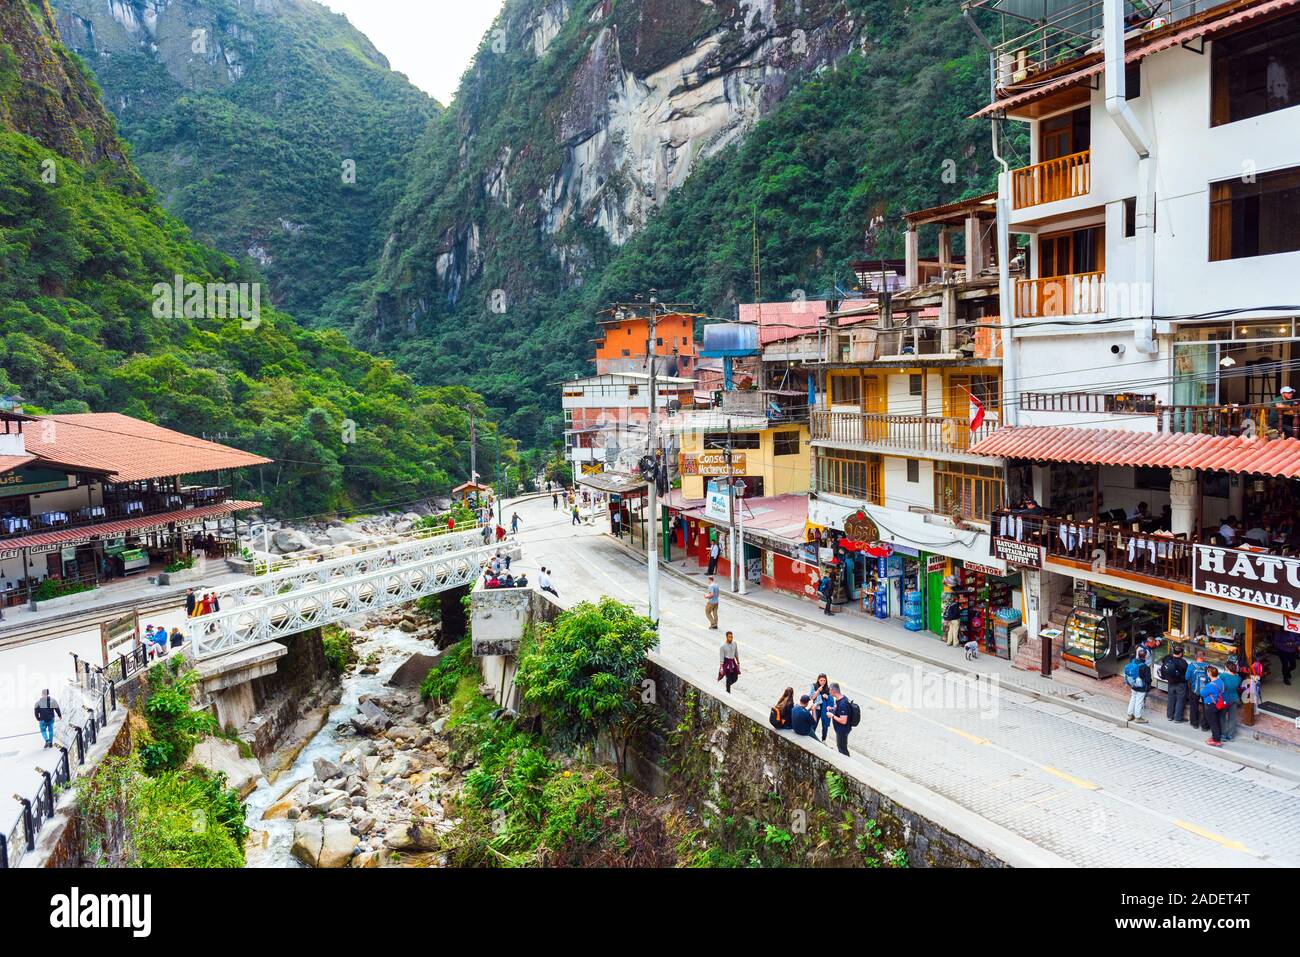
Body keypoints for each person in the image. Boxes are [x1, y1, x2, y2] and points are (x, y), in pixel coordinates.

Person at [1158, 644, 1189, 722]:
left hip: (1170, 682)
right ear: (1181, 653)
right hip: (1181, 684)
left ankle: (1169, 716)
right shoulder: (1183, 662)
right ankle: (1177, 718)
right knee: (1180, 700)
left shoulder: (1167, 658)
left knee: (1171, 699)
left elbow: (1163, 662)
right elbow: (1187, 672)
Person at [1123, 648, 1153, 724]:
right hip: (1141, 687)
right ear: (1146, 657)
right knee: (1139, 702)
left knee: (1133, 699)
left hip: (1133, 684)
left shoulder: (1133, 662)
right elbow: (1148, 679)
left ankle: (1130, 715)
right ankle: (1138, 717)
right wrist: (1148, 686)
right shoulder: (1145, 667)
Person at [1200, 665, 1227, 746]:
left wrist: (1203, 688)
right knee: (1217, 721)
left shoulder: (1210, 685)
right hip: (1218, 704)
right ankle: (1216, 735)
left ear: (1210, 674)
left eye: (1208, 672)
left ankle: (1216, 740)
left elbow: (1202, 693)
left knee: (1213, 723)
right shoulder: (1220, 682)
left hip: (1210, 706)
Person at [1186, 649, 1211, 731]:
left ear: (1196, 657)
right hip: (1205, 690)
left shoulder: (1191, 666)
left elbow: (1187, 677)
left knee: (1194, 706)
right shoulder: (1208, 666)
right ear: (1204, 657)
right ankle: (1205, 726)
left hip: (1194, 689)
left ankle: (1194, 723)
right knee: (1206, 707)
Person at [1219, 658, 1243, 742]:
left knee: (1222, 716)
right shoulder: (1238, 678)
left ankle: (1223, 734)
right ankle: (1230, 735)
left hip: (1225, 698)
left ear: (1227, 668)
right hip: (1234, 698)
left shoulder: (1223, 676)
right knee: (1232, 717)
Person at [828, 682, 852, 756]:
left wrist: (832, 716)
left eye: (829, 690)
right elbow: (839, 711)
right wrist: (832, 709)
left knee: (842, 749)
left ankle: (847, 764)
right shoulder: (841, 698)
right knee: (841, 747)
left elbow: (843, 721)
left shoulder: (842, 704)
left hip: (842, 730)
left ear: (833, 691)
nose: (829, 692)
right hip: (841, 729)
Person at [809, 674, 833, 743]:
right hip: (816, 708)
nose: (822, 682)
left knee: (825, 725)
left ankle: (824, 740)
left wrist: (827, 697)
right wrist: (818, 691)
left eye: (824, 680)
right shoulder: (814, 686)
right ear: (818, 680)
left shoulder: (828, 688)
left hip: (825, 709)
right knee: (814, 723)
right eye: (821, 680)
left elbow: (832, 700)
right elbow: (812, 697)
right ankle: (811, 736)